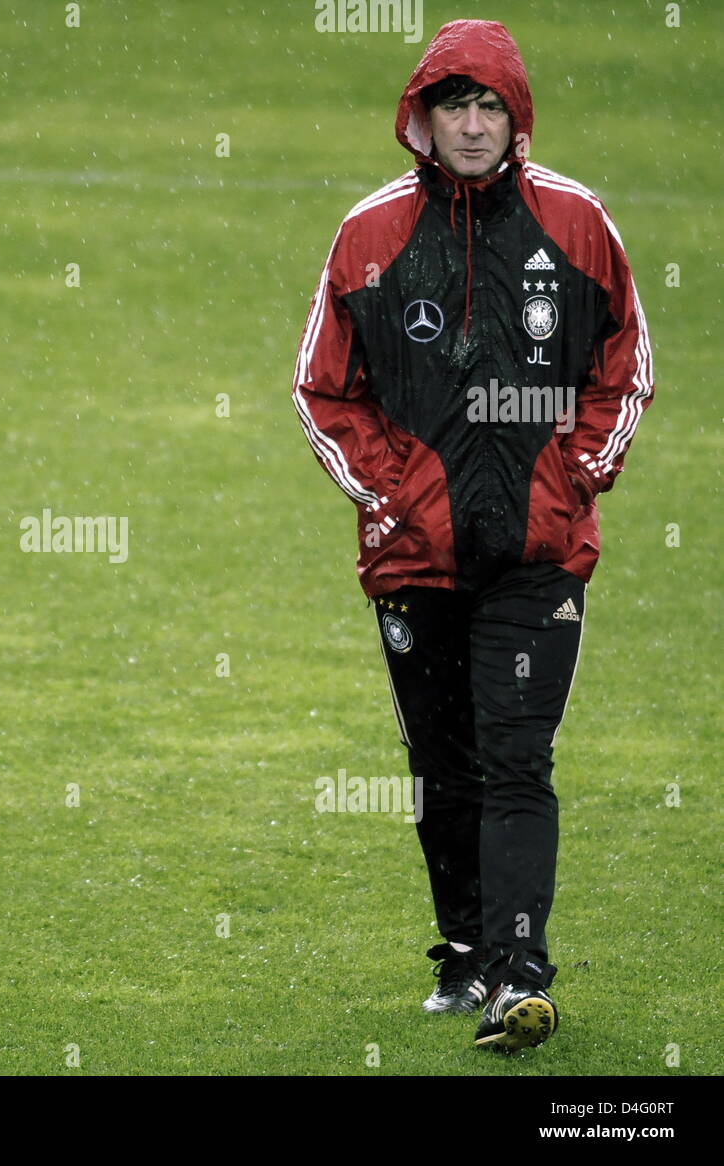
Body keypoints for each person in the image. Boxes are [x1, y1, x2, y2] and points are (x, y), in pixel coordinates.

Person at [292, 19, 653, 1051]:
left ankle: (519, 975)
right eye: (453, 104)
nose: (471, 123)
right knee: (442, 765)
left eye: (489, 104)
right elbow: (320, 389)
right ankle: (462, 949)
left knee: (516, 757)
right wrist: (392, 494)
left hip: (537, 559)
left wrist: (575, 471)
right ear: (420, 117)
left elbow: (625, 364)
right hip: (414, 557)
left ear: (516, 116)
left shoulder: (577, 225)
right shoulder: (367, 235)